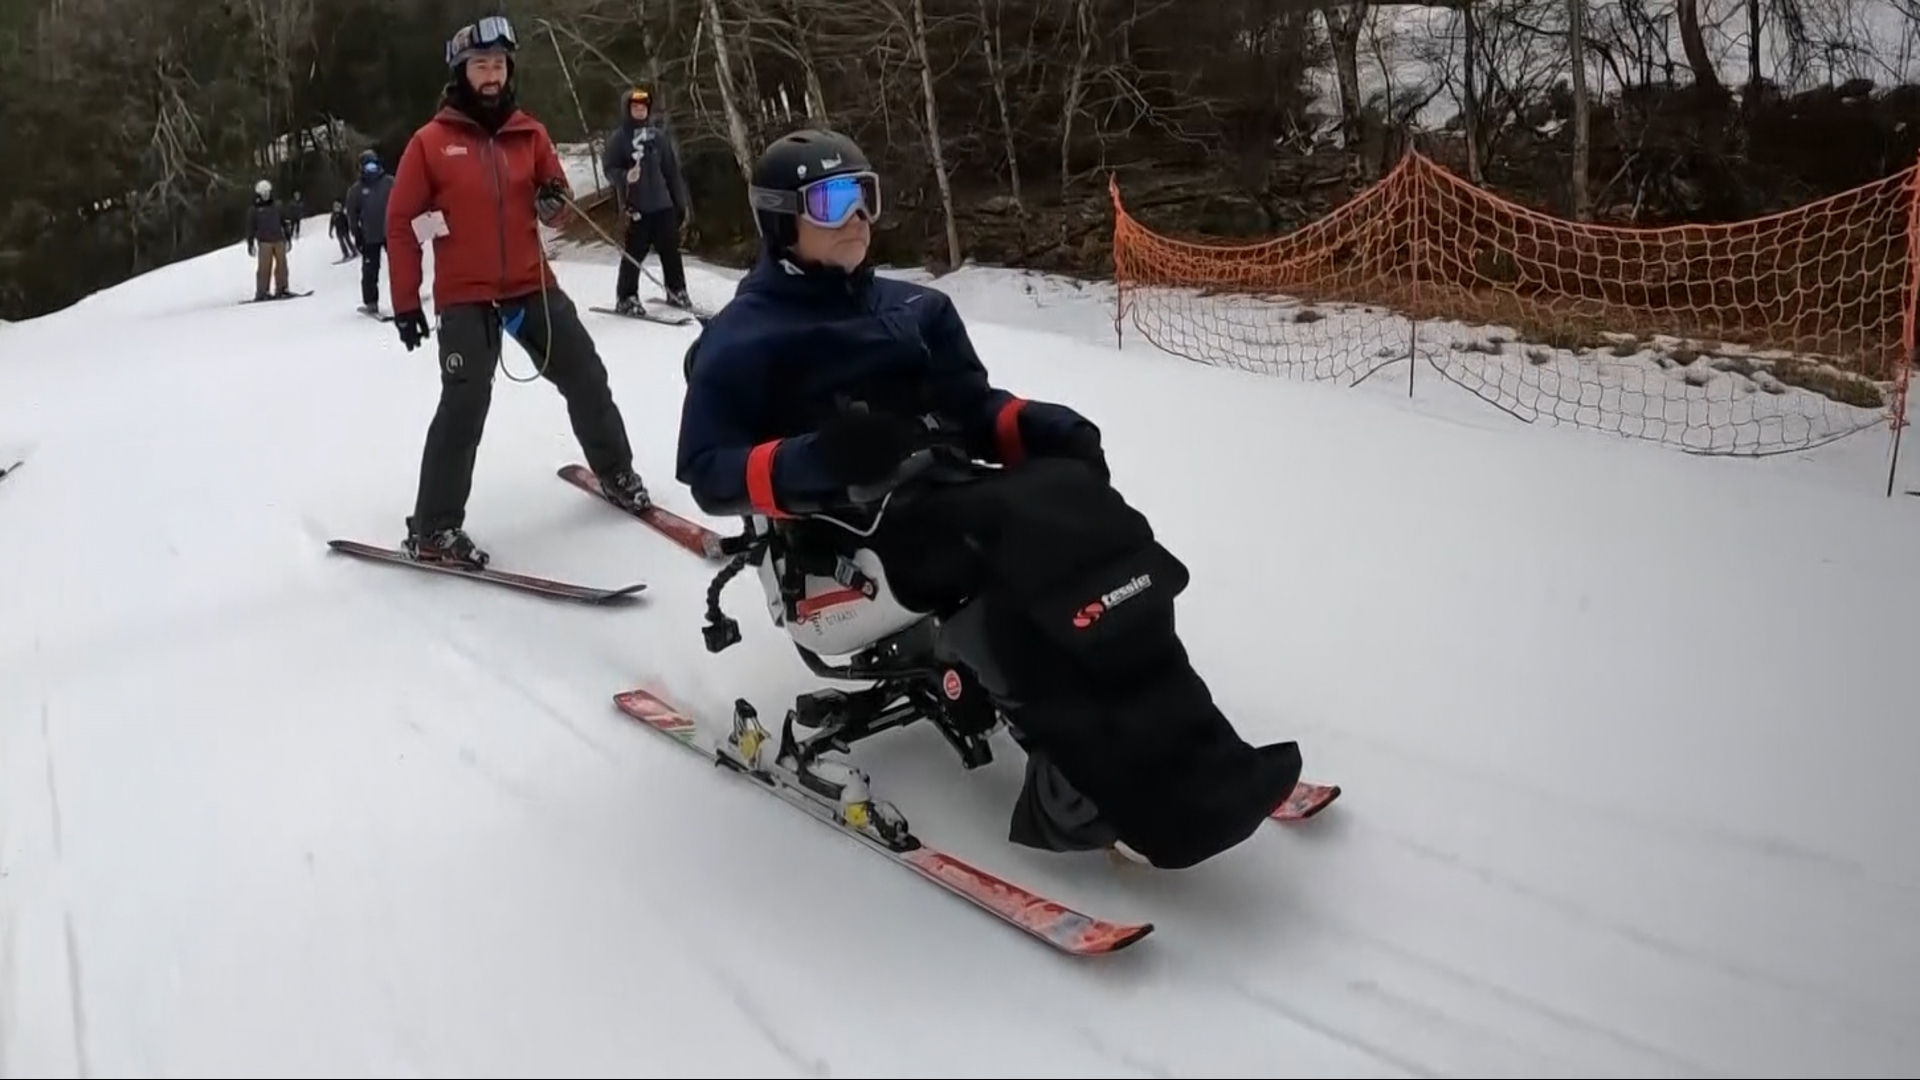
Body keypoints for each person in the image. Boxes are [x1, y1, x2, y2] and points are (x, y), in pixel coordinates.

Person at [674, 129, 1304, 872]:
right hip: (847, 541)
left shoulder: (914, 309)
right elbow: (706, 468)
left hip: (947, 494)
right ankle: (1094, 789)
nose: (858, 216)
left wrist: (1028, 425)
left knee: (1085, 512)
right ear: (782, 219)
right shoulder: (744, 338)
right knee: (1014, 559)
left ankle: (1191, 748)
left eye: (866, 195)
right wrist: (816, 459)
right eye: (833, 200)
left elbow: (971, 407)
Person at [383, 15, 651, 568]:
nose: (492, 76)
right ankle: (433, 528)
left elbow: (558, 211)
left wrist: (554, 199)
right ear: (462, 72)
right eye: (481, 65)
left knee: (585, 373)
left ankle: (616, 471)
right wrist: (406, 302)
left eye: (500, 66)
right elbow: (402, 223)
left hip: (531, 287)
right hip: (467, 296)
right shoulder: (430, 144)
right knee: (464, 405)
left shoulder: (530, 133)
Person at [598, 87, 692, 314]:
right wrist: (624, 177)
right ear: (627, 110)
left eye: (643, 107)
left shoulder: (658, 137)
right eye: (635, 107)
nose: (640, 111)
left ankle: (676, 290)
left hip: (663, 205)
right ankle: (627, 297)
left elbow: (671, 172)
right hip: (636, 206)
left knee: (670, 250)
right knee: (634, 253)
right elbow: (609, 168)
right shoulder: (619, 139)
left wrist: (680, 202)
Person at [345, 150, 394, 315]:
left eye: (373, 165)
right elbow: (352, 214)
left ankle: (407, 296)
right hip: (369, 236)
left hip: (392, 233)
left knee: (400, 267)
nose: (371, 170)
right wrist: (356, 234)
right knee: (370, 270)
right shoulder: (356, 190)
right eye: (368, 166)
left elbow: (402, 203)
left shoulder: (389, 183)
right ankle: (371, 301)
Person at [245, 179, 293, 301]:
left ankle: (282, 288)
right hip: (264, 241)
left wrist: (288, 237)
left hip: (279, 239)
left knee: (282, 265)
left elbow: (284, 222)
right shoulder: (254, 209)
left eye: (267, 192)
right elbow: (250, 227)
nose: (266, 195)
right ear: (259, 194)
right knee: (264, 267)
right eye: (263, 193)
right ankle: (262, 291)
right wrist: (250, 243)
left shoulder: (277, 205)